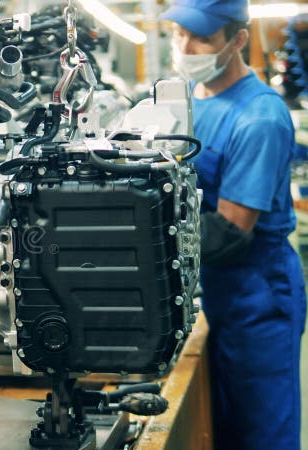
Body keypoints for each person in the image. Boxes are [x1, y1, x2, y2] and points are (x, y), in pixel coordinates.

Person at [161, 1, 306, 449]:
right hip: (214, 290)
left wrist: (140, 241)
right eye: (179, 34)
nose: (186, 46)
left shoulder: (259, 116)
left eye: (201, 37)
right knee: (220, 429)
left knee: (260, 433)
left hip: (257, 299)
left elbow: (230, 232)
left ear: (238, 40)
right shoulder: (187, 96)